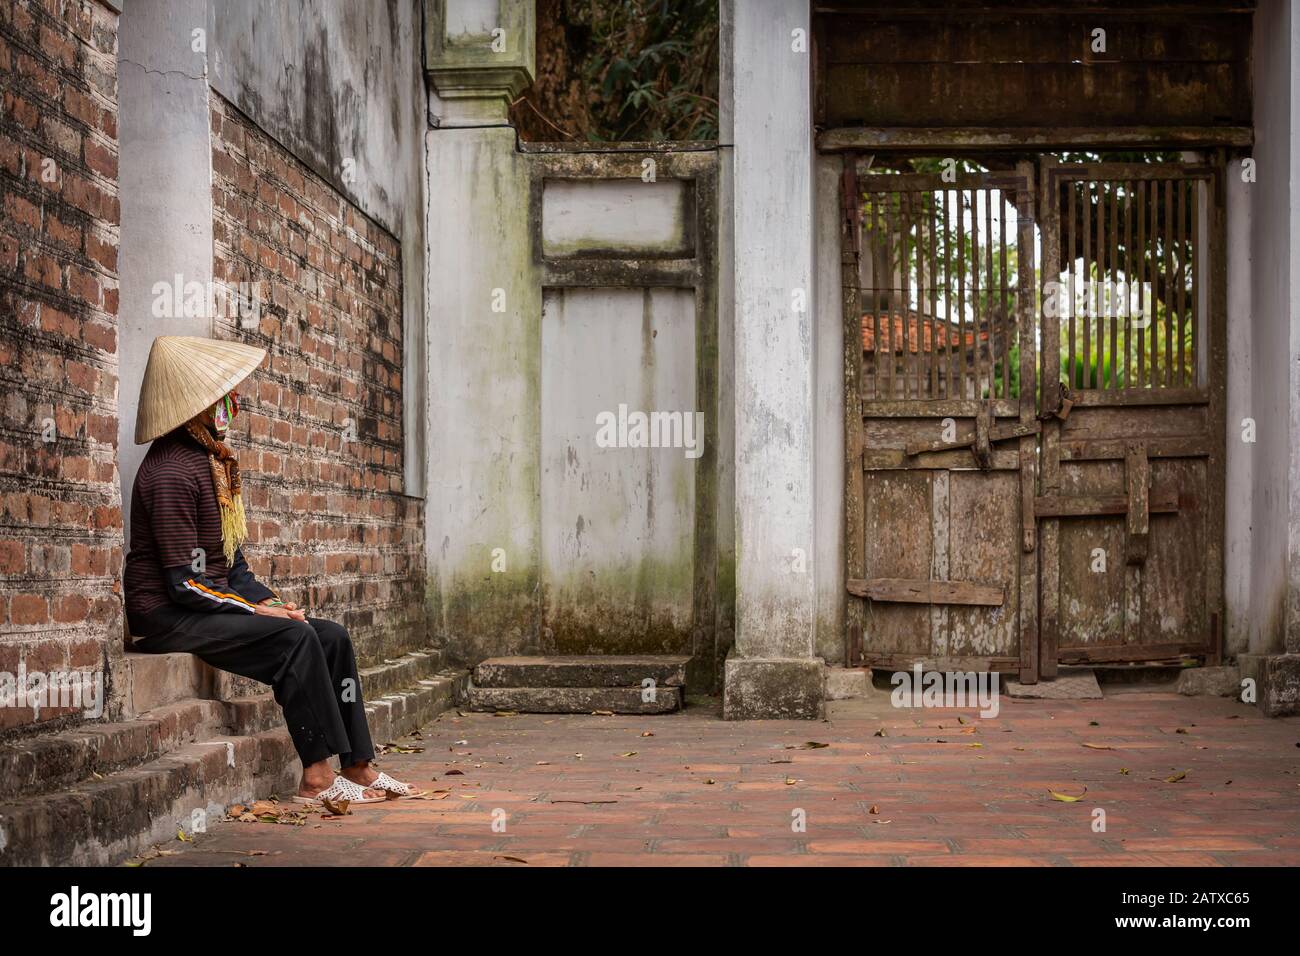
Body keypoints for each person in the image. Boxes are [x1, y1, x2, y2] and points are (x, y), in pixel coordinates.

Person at [123, 336, 421, 806]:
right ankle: (317, 777)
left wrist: (268, 603)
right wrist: (259, 615)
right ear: (200, 404)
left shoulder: (213, 464)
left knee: (331, 636)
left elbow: (231, 564)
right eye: (226, 395)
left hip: (209, 603)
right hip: (168, 615)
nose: (234, 402)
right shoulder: (170, 472)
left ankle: (359, 766)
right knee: (294, 641)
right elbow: (185, 583)